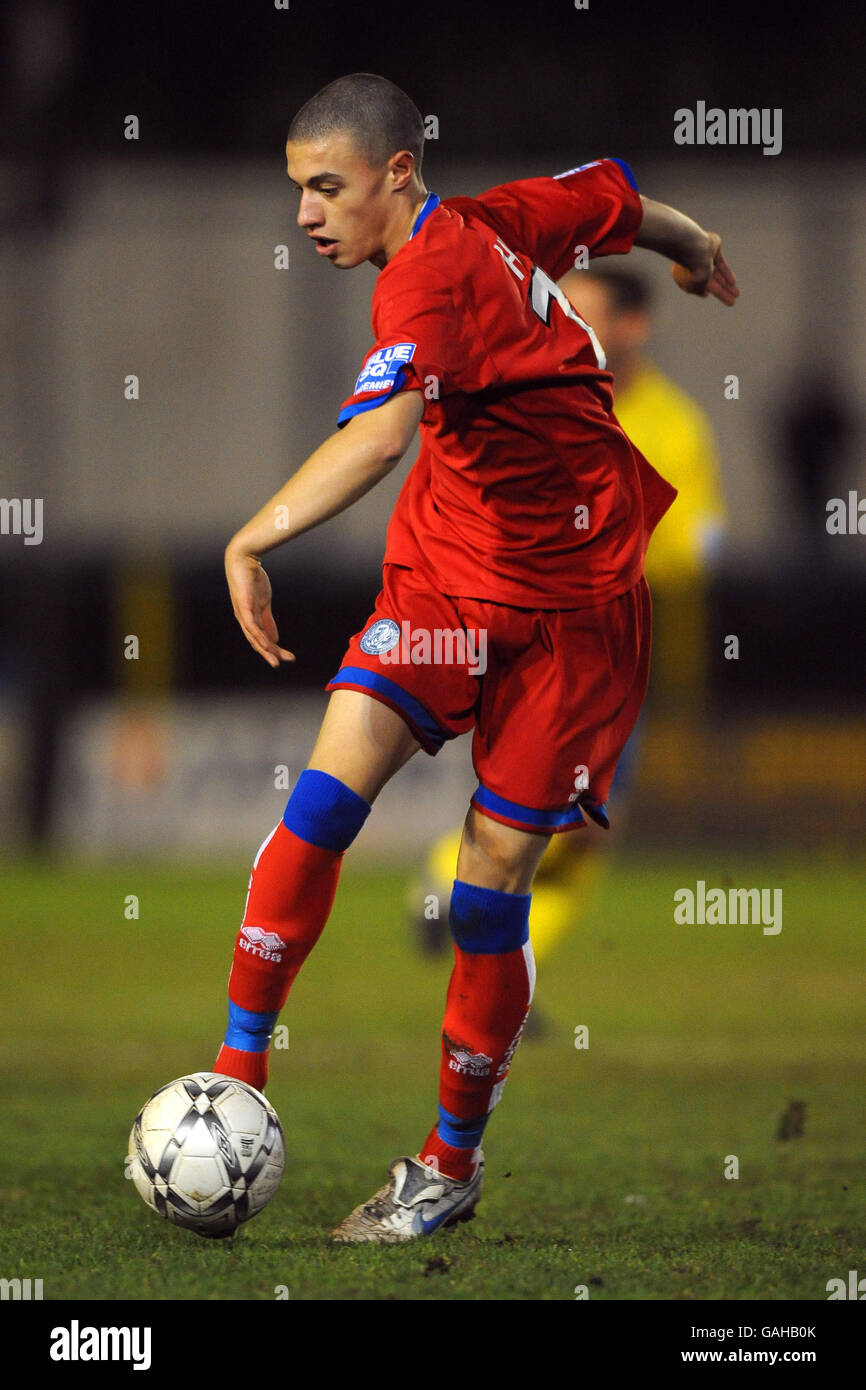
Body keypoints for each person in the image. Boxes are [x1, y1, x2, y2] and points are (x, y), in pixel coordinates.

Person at [211, 72, 739, 1244]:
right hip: (445, 577)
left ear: (397, 176)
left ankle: (445, 1165)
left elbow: (381, 435)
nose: (305, 213)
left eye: (326, 187)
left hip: (571, 611)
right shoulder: (501, 218)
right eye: (297, 189)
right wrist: (695, 243)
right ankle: (232, 1082)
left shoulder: (425, 276)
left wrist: (254, 536)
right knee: (318, 805)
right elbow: (617, 199)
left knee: (483, 889)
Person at [412, 265, 728, 976]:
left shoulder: (675, 425)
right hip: (533, 629)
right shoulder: (537, 398)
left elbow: (695, 544)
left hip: (618, 645)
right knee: (559, 807)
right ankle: (459, 897)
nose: (561, 328)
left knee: (586, 827)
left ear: (631, 326)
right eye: (557, 311)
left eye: (581, 315)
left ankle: (490, 944)